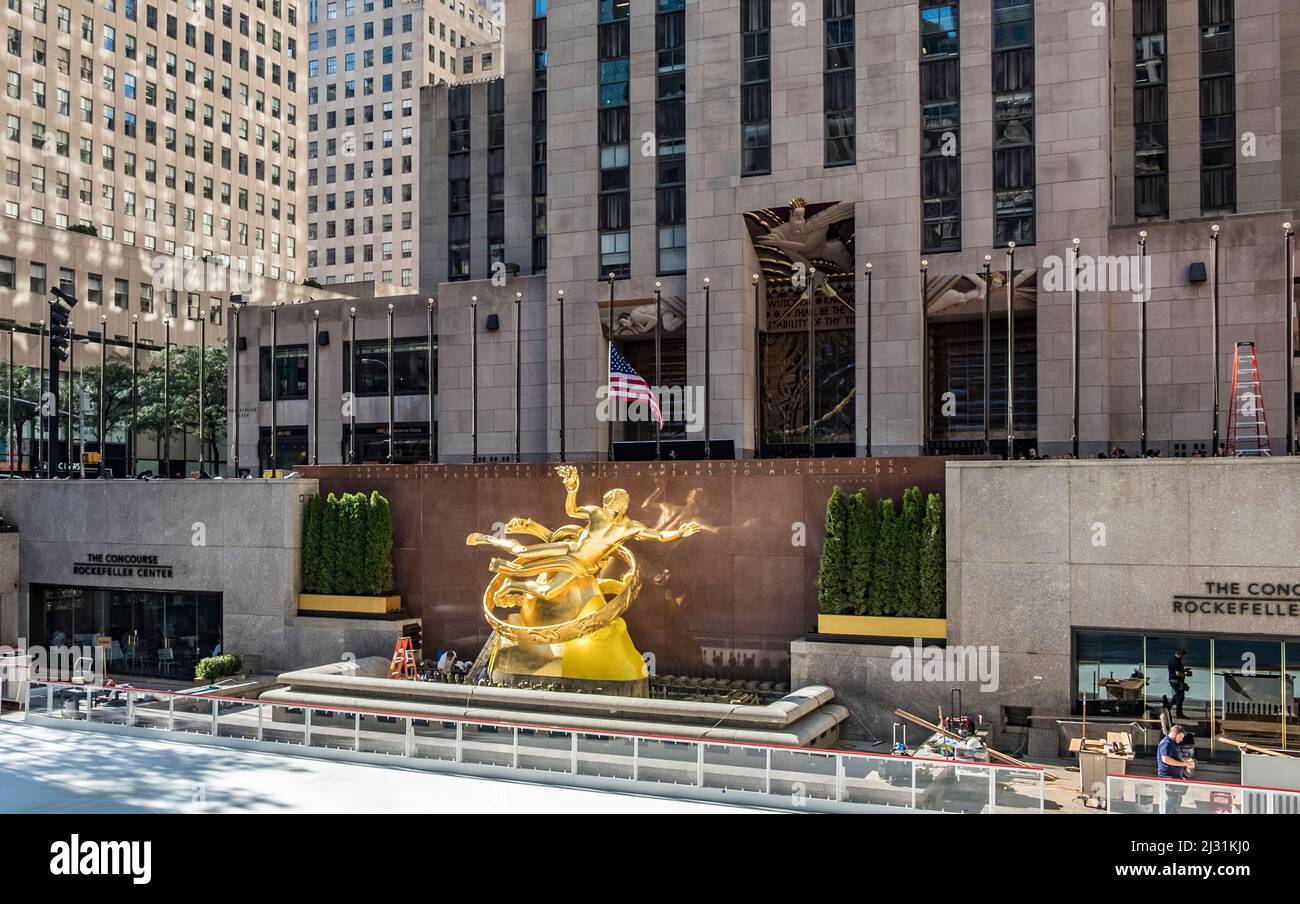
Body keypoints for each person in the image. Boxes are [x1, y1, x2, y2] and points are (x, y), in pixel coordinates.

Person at [1157, 724, 1193, 812]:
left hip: (1174, 777)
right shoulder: (1167, 743)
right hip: (1169, 777)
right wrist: (1183, 764)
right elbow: (1165, 759)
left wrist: (1185, 763)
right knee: (1174, 800)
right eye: (1180, 737)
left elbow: (1174, 758)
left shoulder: (1172, 744)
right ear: (1174, 734)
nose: (1181, 740)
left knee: (1176, 800)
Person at [1163, 649, 1189, 719]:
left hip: (1172, 679)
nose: (1182, 658)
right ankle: (1177, 712)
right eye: (1183, 656)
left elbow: (1174, 670)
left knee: (1178, 695)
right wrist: (1185, 674)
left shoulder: (1172, 658)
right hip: (1176, 681)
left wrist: (1183, 670)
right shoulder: (1177, 661)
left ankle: (1169, 707)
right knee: (1180, 696)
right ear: (1181, 655)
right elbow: (1178, 673)